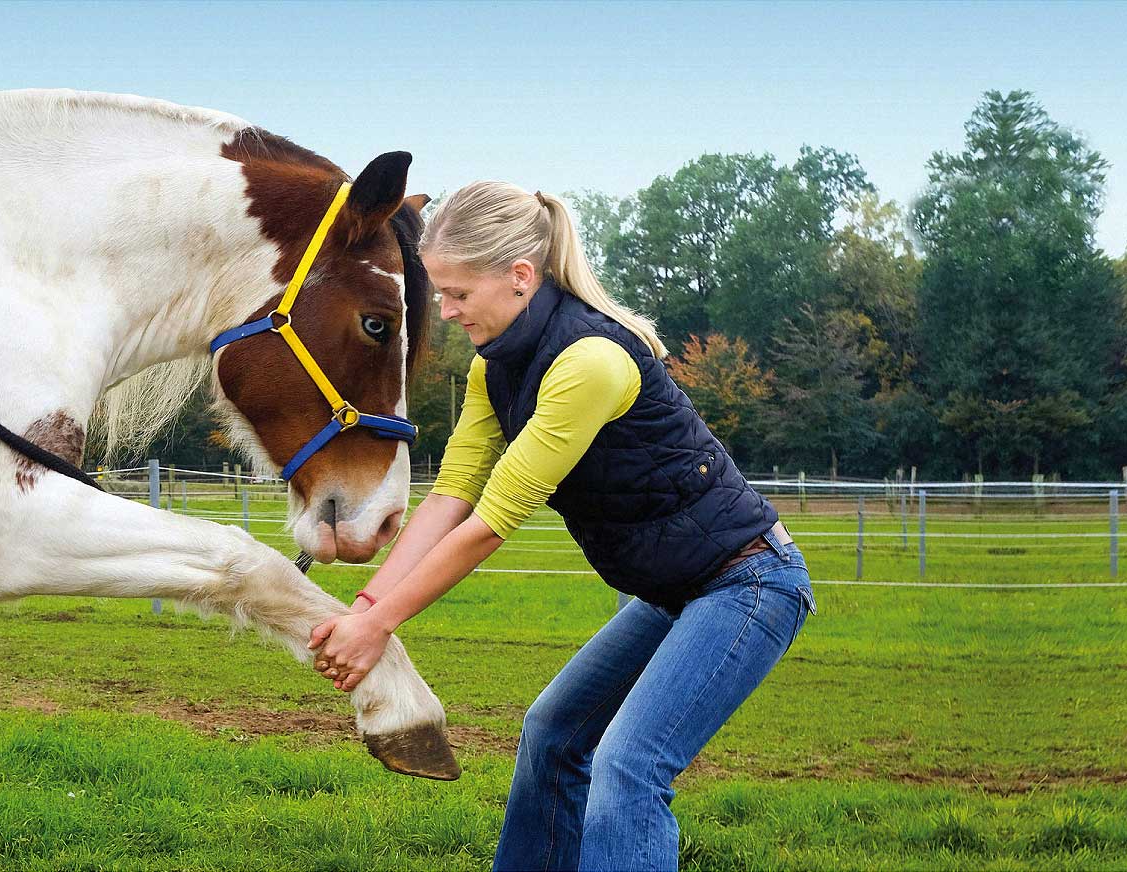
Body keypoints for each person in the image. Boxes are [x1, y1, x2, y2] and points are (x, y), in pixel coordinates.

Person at [307, 181, 817, 872]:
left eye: (458, 293)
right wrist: (366, 610)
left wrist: (379, 626)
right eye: (441, 293)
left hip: (747, 583)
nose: (447, 312)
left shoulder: (590, 361)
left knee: (629, 766)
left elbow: (491, 522)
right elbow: (451, 498)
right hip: (671, 592)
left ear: (520, 276)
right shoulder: (494, 370)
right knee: (552, 734)